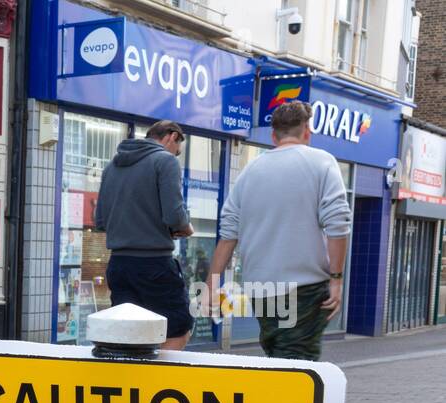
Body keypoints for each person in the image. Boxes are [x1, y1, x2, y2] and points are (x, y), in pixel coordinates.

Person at [207, 100, 351, 361]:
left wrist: (212, 285)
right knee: (295, 365)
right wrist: (337, 279)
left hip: (261, 287)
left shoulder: (249, 171)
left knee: (278, 355)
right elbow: (337, 225)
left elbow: (228, 233)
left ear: (274, 135)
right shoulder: (322, 162)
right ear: (307, 131)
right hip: (303, 288)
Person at [93, 120, 196, 350]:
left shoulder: (111, 167)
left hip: (119, 266)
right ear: (171, 136)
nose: (175, 154)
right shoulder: (165, 161)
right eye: (177, 150)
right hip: (155, 265)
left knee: (130, 337)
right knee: (178, 330)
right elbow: (175, 216)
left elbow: (100, 222)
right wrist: (186, 228)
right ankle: (159, 382)